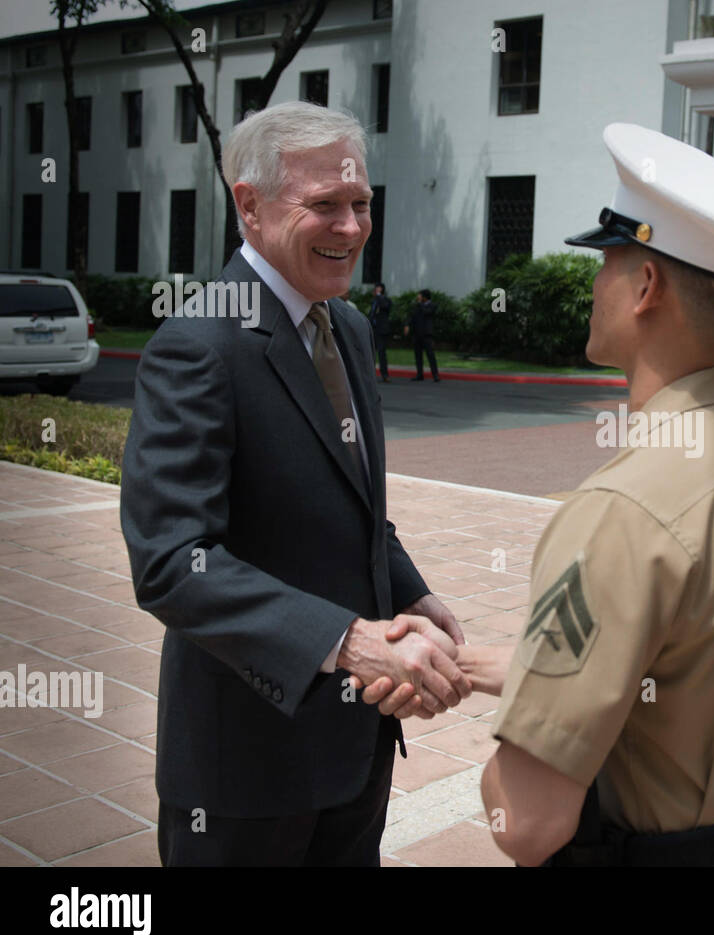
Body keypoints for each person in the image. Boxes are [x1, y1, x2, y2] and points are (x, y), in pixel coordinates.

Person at [360, 122, 714, 866]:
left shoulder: (621, 509)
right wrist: (469, 663)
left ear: (647, 287)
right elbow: (679, 673)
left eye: (609, 260)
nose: (593, 282)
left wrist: (513, 752)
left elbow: (527, 821)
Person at [120, 101, 471, 866]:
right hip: (246, 770)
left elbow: (350, 501)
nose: (350, 228)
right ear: (249, 204)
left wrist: (412, 593)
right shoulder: (198, 344)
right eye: (325, 206)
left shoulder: (345, 326)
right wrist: (348, 643)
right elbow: (172, 563)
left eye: (361, 204)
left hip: (354, 750)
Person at [405, 288, 440, 381]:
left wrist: (420, 304)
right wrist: (407, 325)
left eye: (420, 296)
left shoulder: (432, 306)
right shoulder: (417, 306)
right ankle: (419, 374)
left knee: (430, 355)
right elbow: (411, 316)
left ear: (425, 297)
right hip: (417, 334)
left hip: (427, 334)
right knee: (418, 356)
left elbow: (426, 312)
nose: (418, 297)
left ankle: (435, 374)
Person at [369, 281, 392, 381]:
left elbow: (385, 307)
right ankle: (370, 374)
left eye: (378, 288)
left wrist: (379, 295)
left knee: (381, 352)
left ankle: (385, 374)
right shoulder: (374, 301)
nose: (375, 290)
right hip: (373, 328)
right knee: (371, 352)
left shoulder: (385, 300)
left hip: (381, 330)